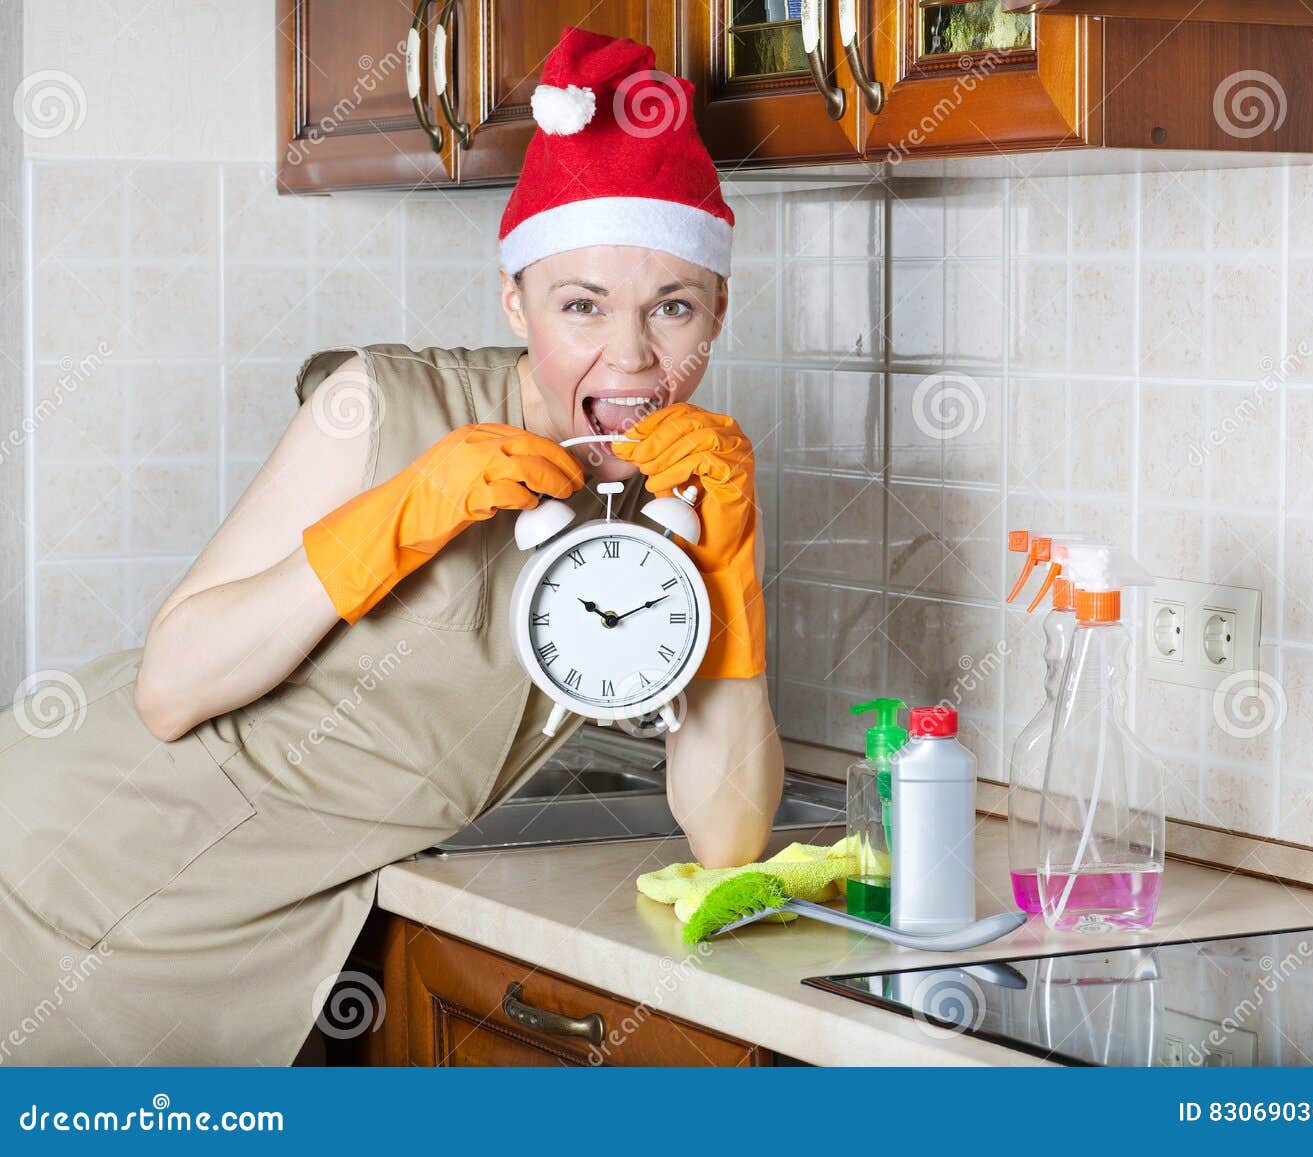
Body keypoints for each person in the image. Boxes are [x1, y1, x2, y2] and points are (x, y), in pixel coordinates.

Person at [0, 27, 782, 1065]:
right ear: (515, 301)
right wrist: (399, 513)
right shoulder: (378, 405)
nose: (632, 355)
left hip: (265, 918)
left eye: (672, 308)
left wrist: (729, 559)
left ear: (717, 310)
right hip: (79, 853)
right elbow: (169, 688)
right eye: (580, 305)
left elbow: (725, 840)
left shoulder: (682, 498)